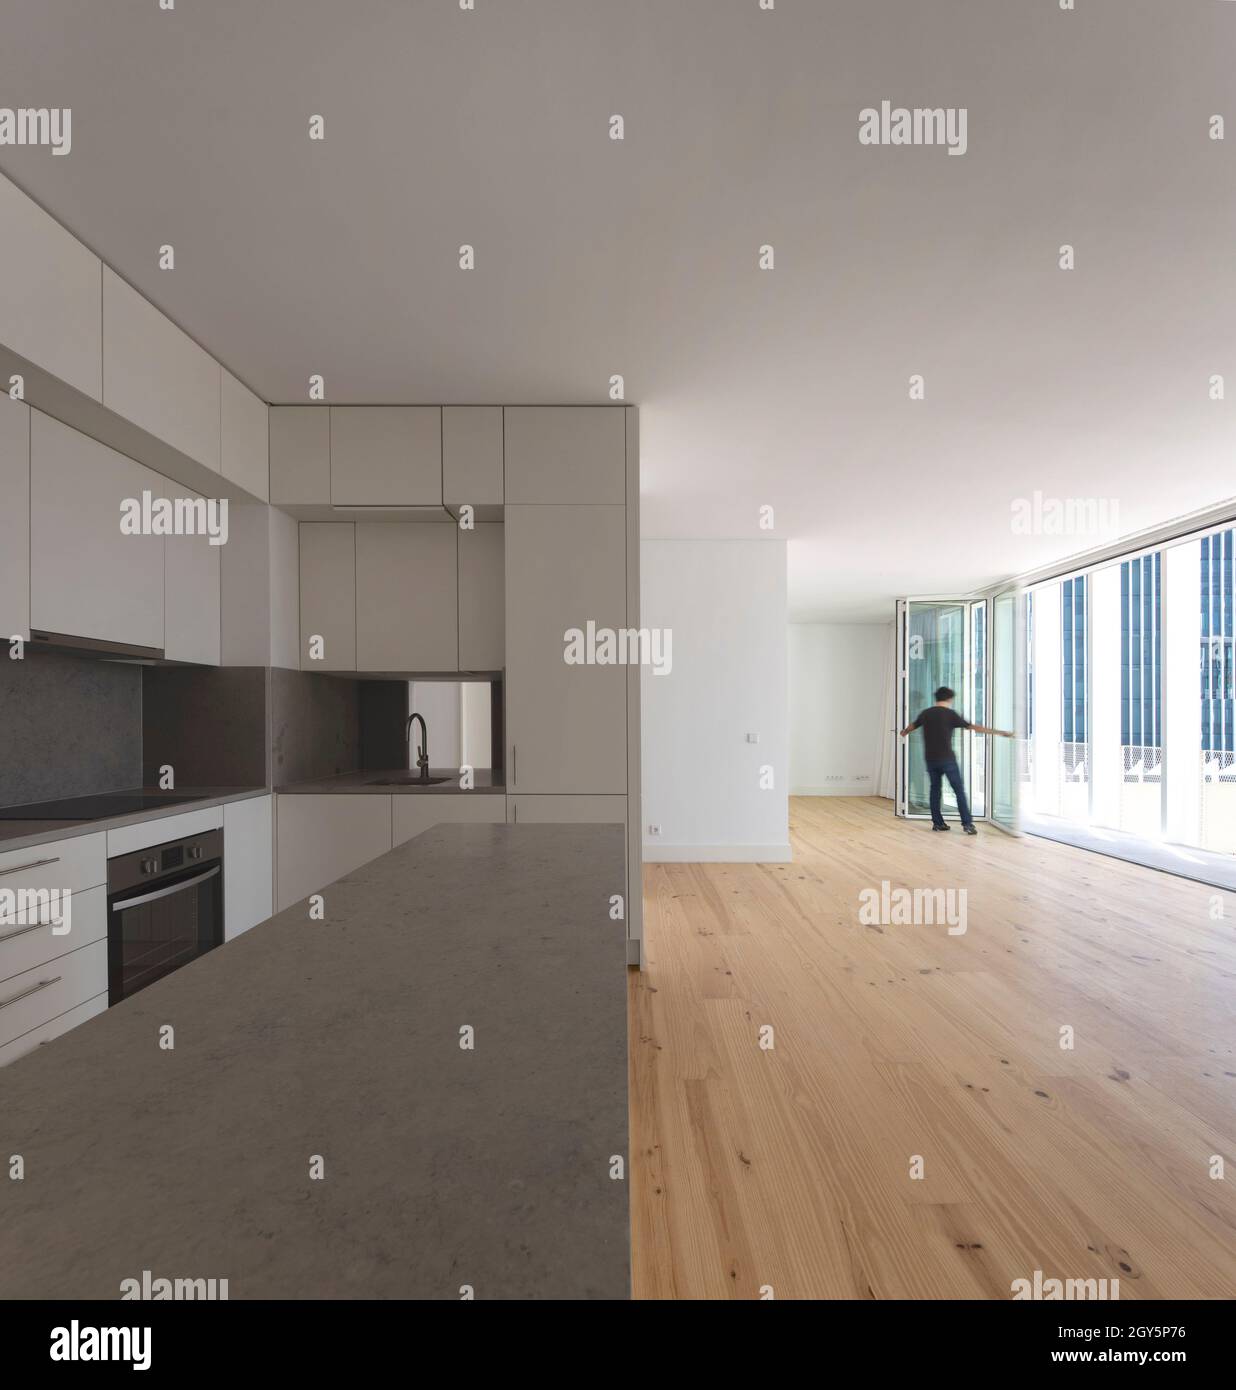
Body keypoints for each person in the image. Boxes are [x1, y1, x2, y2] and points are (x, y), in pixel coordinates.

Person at [900, 686, 1013, 834]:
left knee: (935, 790)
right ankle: (967, 824)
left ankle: (938, 824)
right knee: (959, 791)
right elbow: (973, 727)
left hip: (931, 759)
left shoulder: (926, 714)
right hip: (947, 759)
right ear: (949, 699)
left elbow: (912, 726)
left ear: (937, 698)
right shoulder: (950, 714)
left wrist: (904, 732)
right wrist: (1000, 732)